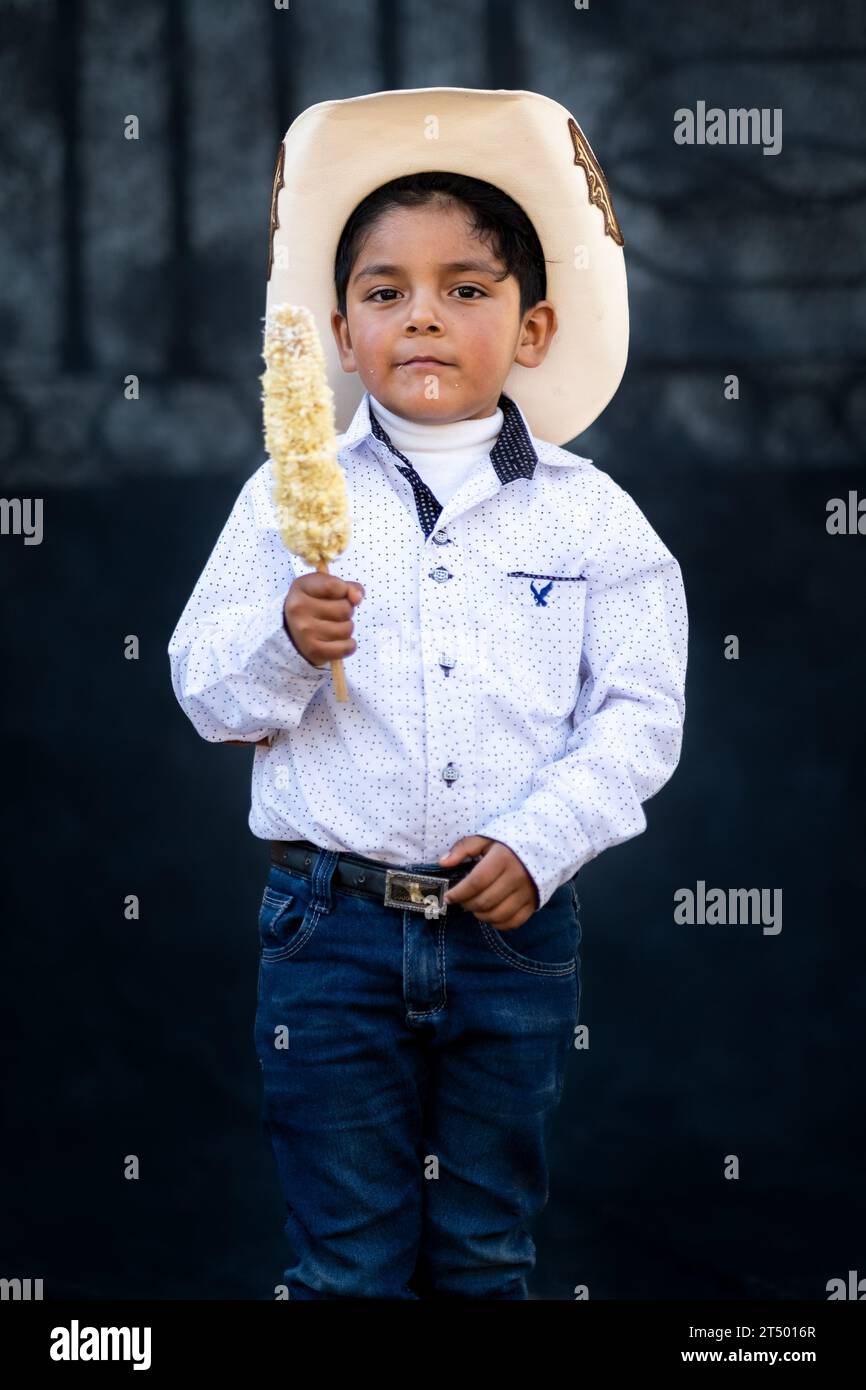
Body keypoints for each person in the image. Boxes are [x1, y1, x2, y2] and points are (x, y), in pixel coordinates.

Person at [167, 87, 688, 1300]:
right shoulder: (287, 501)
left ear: (534, 324)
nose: (422, 318)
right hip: (327, 933)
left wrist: (540, 835)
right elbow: (203, 689)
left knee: (482, 1252)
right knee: (345, 1262)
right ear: (339, 334)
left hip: (511, 938)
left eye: (466, 288)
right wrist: (289, 642)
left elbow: (640, 712)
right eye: (383, 291)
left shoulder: (589, 513)